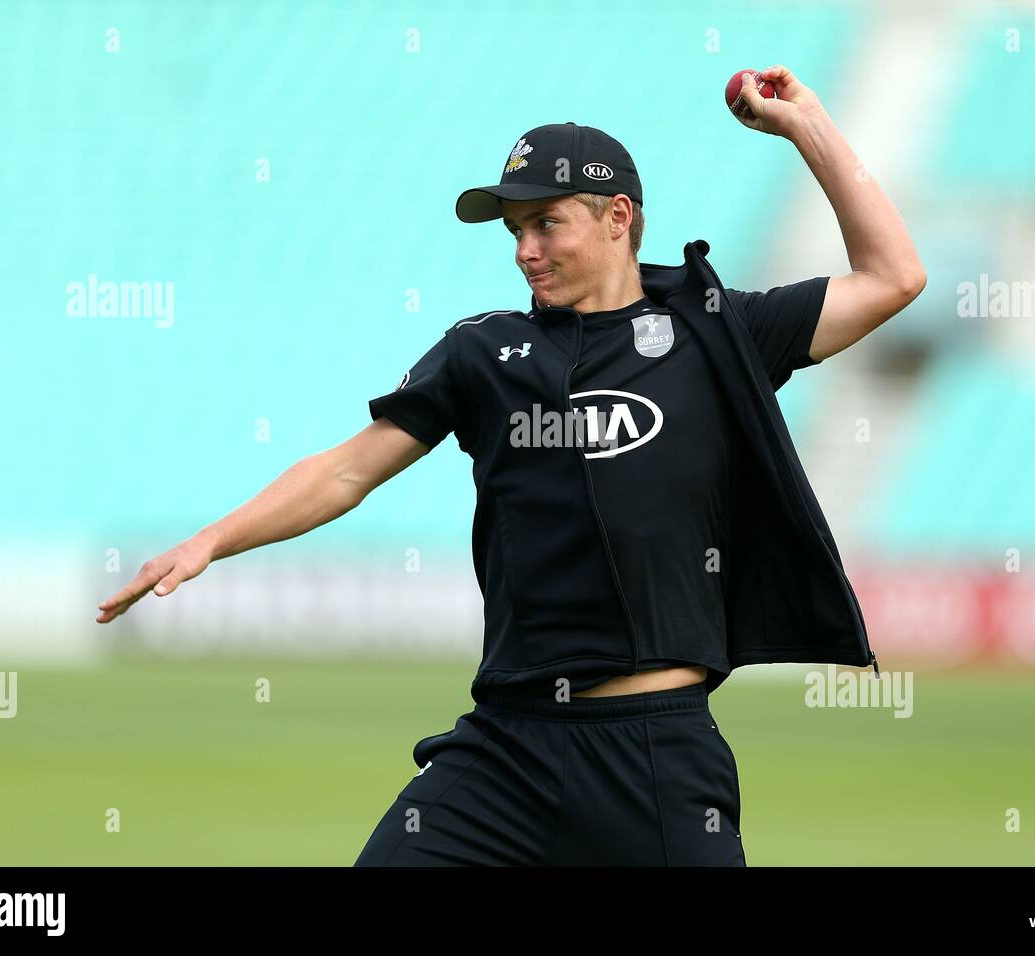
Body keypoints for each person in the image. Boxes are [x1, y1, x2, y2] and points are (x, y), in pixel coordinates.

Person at [96, 65, 925, 866]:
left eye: (546, 223)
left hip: (656, 756)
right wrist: (211, 540)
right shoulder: (482, 352)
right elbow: (348, 471)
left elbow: (894, 277)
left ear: (616, 217)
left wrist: (805, 126)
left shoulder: (716, 332)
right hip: (505, 755)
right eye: (514, 232)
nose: (525, 250)